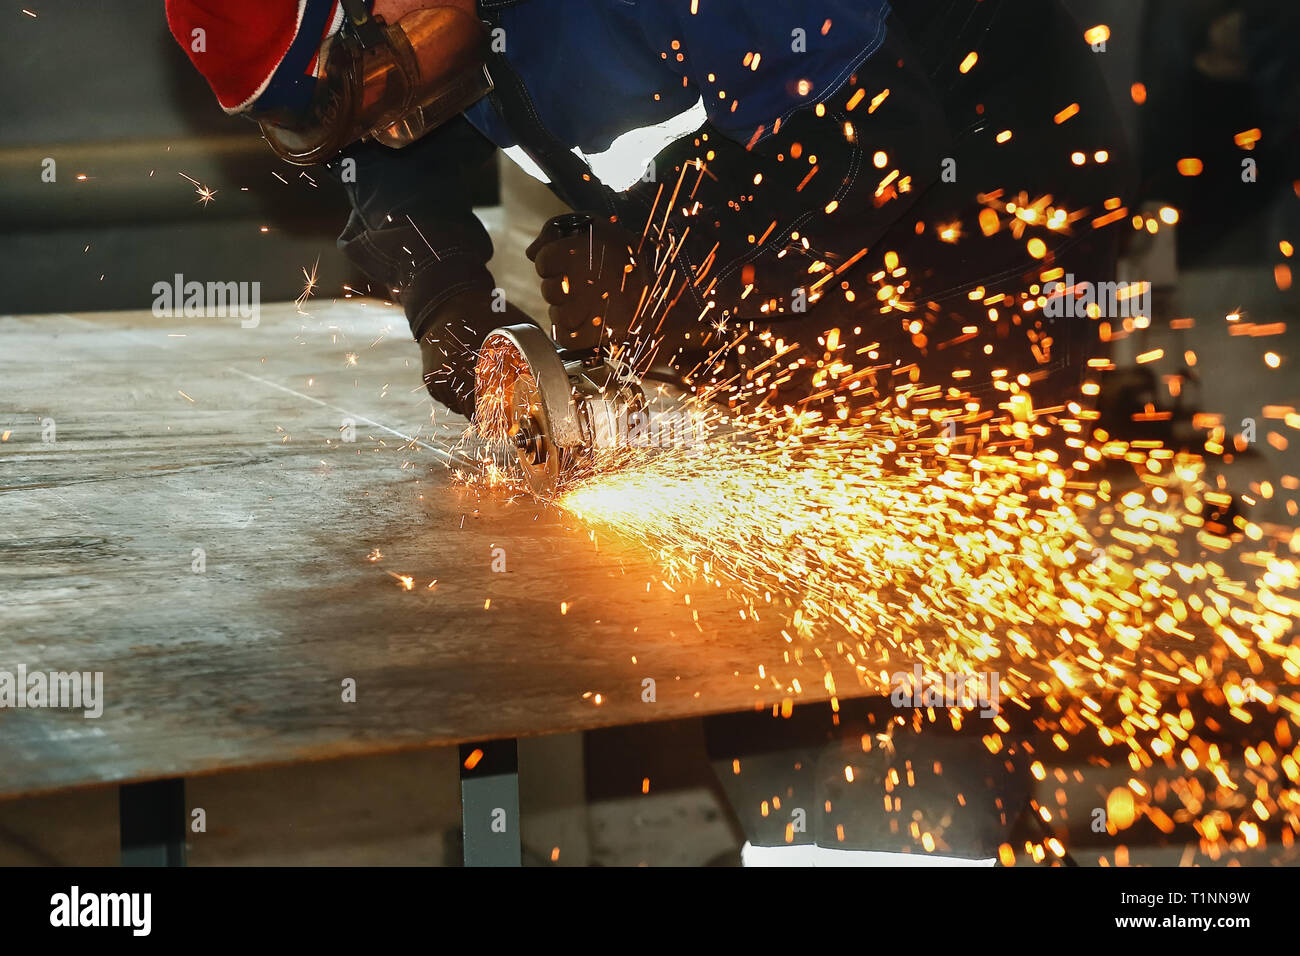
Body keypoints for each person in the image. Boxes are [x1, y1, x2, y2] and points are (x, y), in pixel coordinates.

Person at [168, 0, 1130, 423]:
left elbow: (873, 143)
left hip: (984, 213)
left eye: (381, 79)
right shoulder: (429, 32)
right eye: (353, 113)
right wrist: (446, 296)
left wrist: (662, 260)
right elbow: (388, 166)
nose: (389, 117)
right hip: (795, 245)